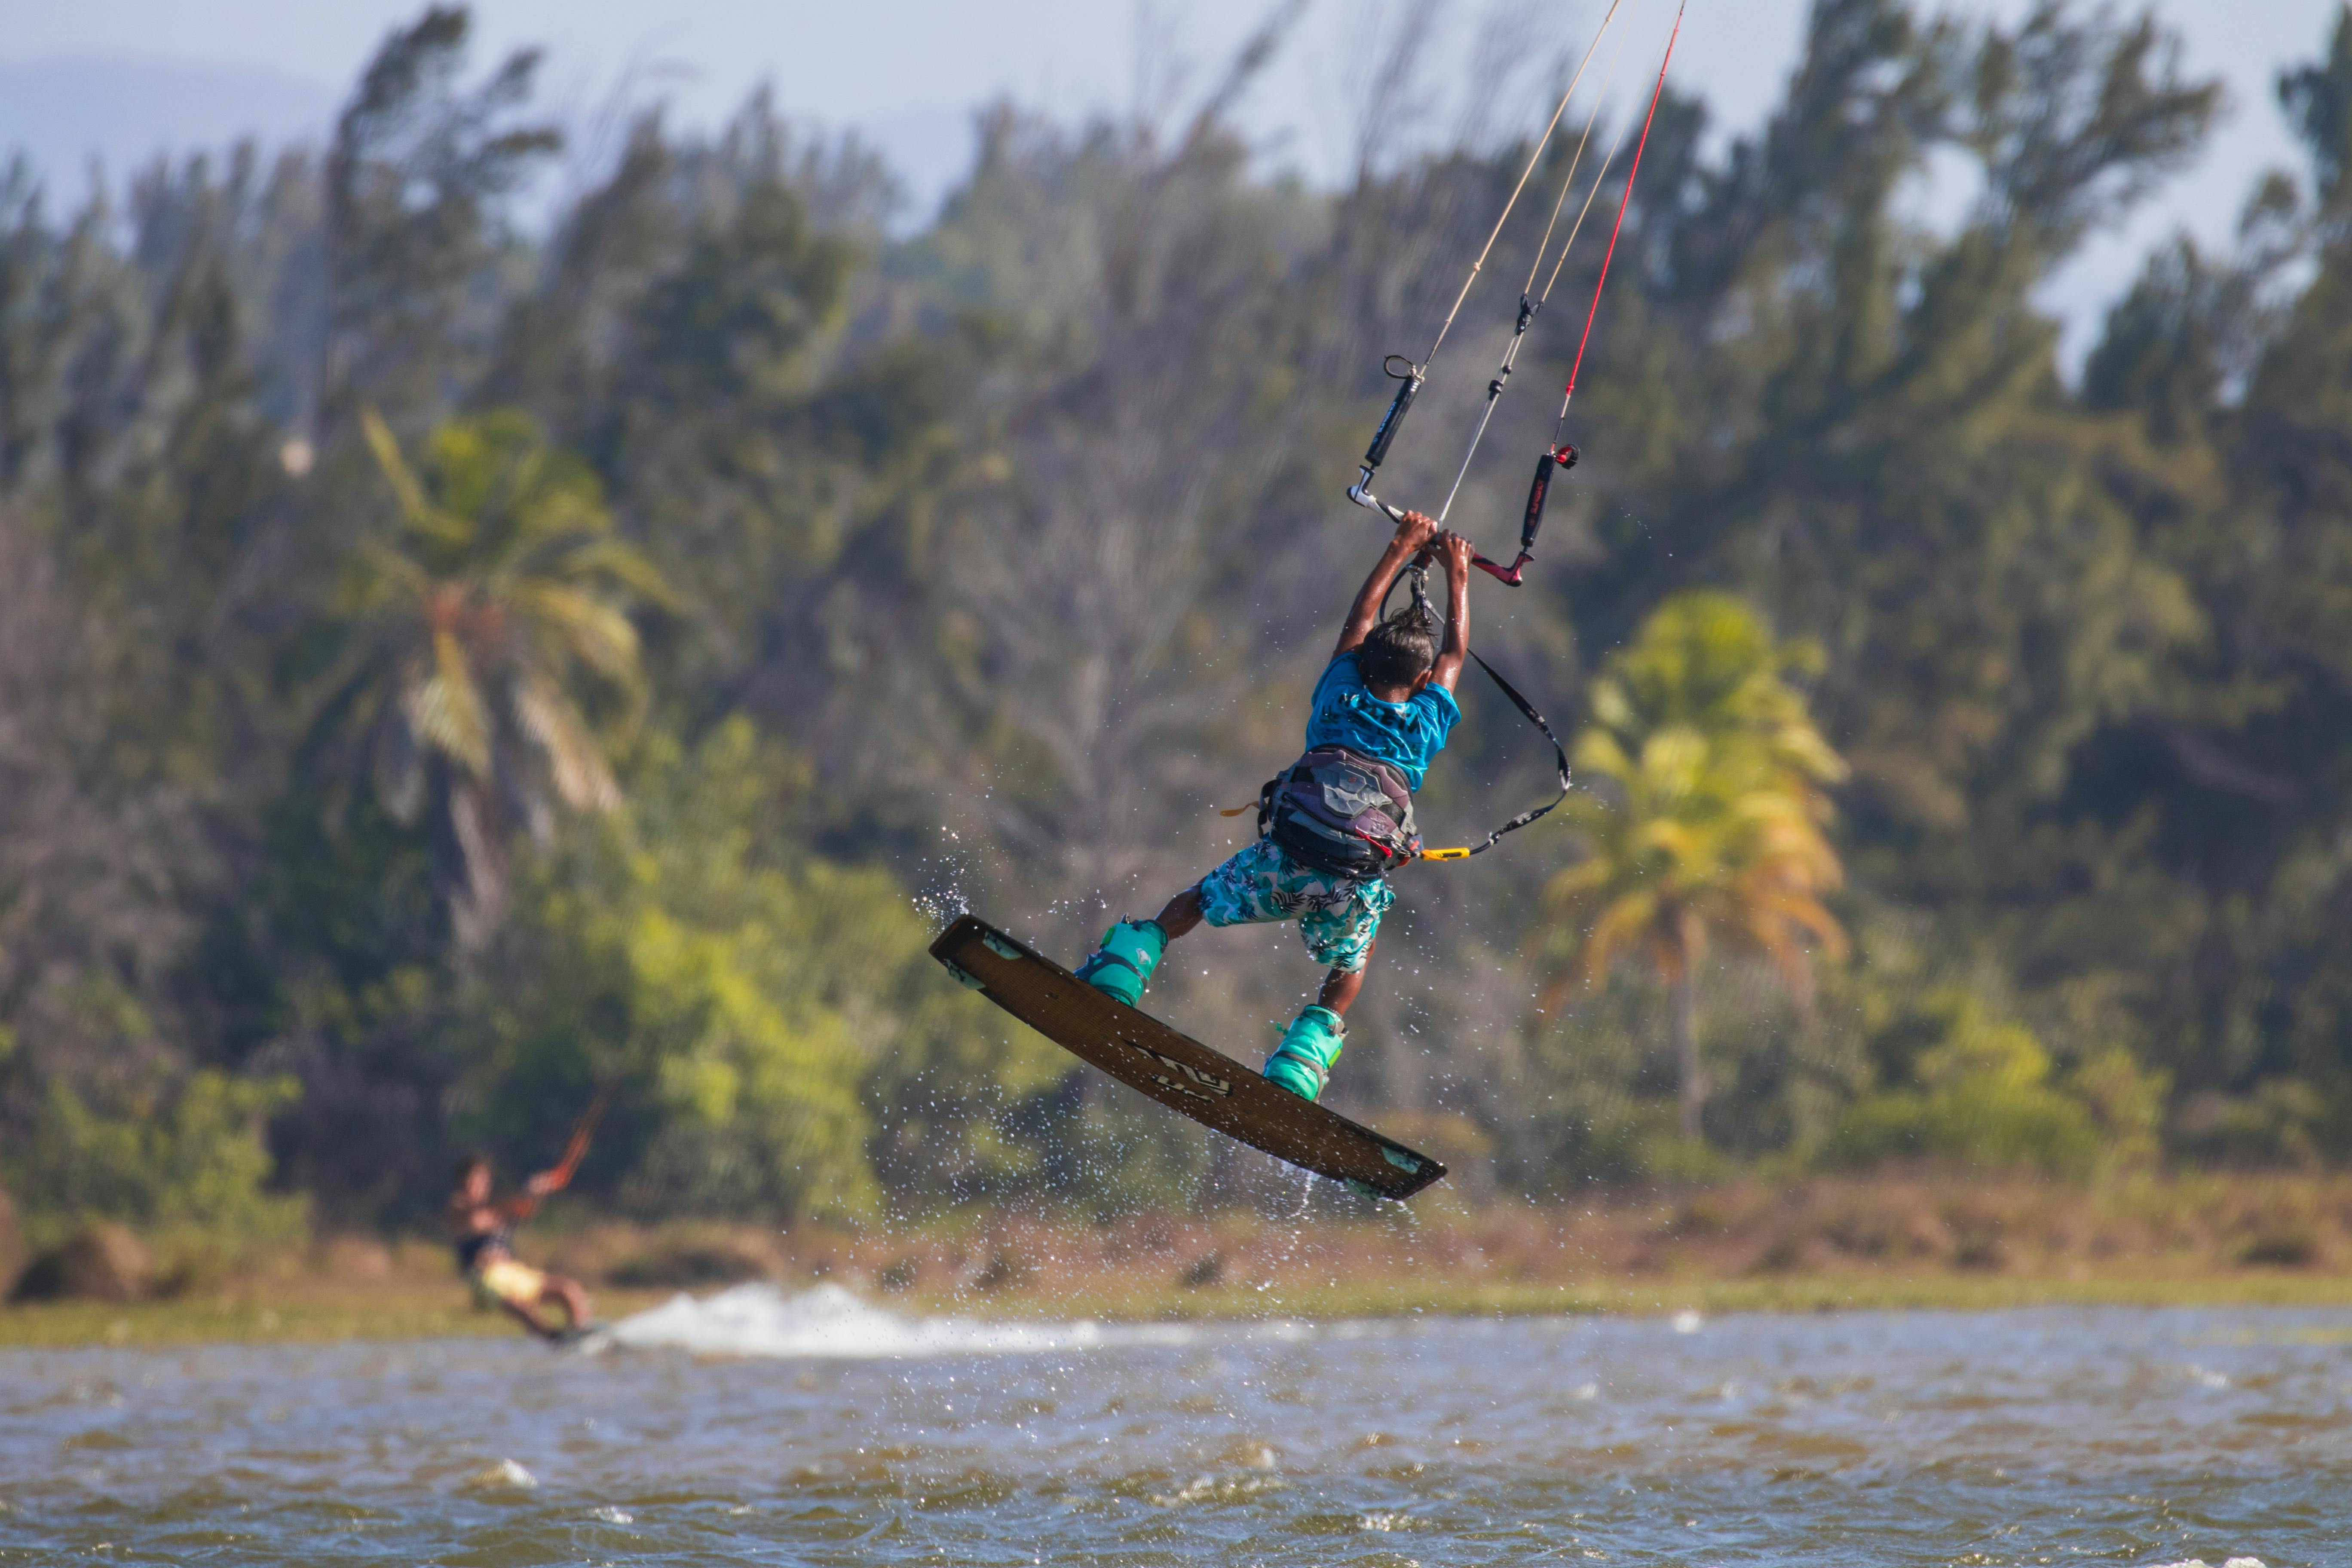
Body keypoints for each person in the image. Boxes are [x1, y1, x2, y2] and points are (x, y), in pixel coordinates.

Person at [1073, 510, 1471, 1103]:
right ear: (1419, 684)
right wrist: (1458, 577)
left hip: (1285, 858)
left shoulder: (1338, 696)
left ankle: (1122, 970)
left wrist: (1400, 547)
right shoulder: (1424, 722)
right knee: (1348, 970)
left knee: (1197, 901)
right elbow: (1455, 655)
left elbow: (1359, 620)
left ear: (1361, 665)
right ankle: (1300, 1065)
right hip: (1349, 884)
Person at [446, 1153, 593, 1341]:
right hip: (484, 1280)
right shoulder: (458, 1207)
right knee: (520, 1305)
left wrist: (539, 1192)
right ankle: (556, 1339)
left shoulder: (498, 1208)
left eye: (482, 1180)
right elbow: (478, 1219)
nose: (477, 1185)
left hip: (513, 1272)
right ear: (462, 1183)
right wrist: (525, 1193)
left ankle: (583, 1335)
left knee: (569, 1291)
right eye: (472, 1180)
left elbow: (526, 1209)